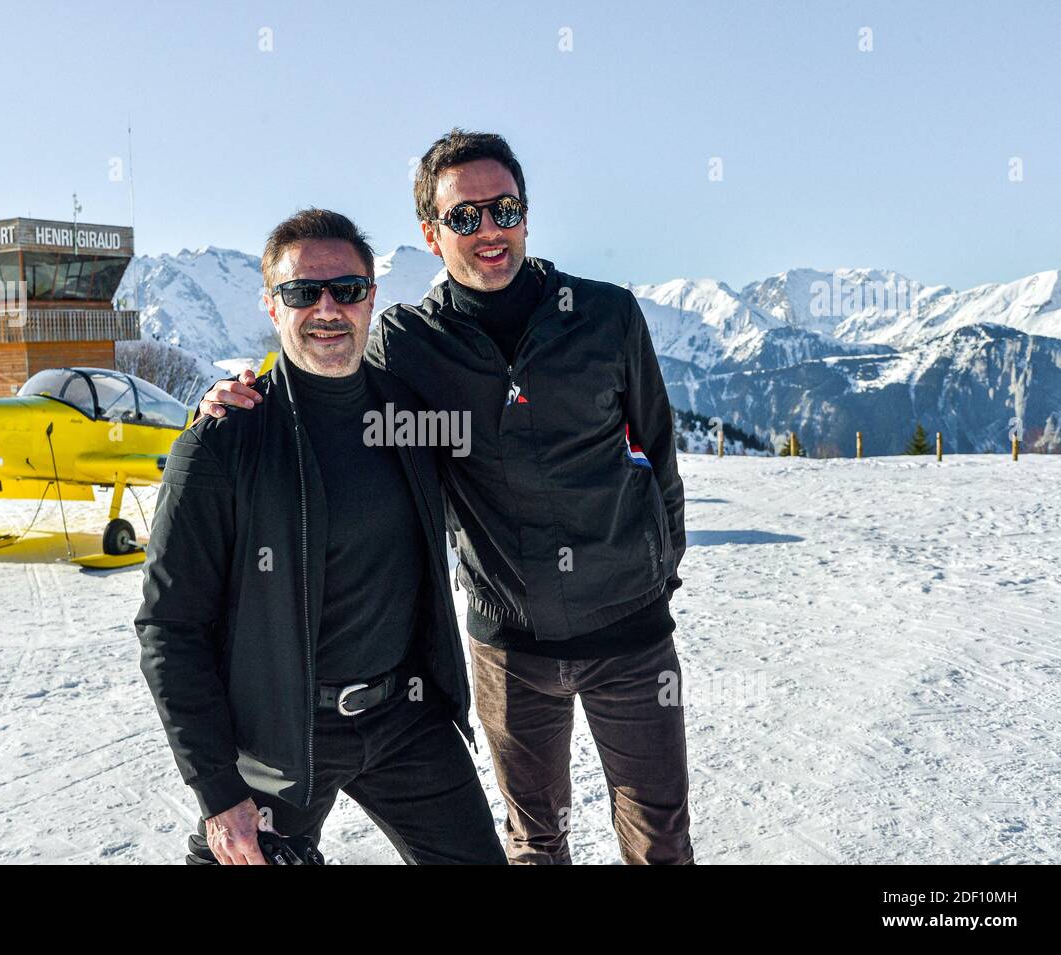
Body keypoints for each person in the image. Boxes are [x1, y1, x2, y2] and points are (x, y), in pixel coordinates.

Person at [200, 130, 693, 864]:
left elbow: (656, 449)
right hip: (511, 646)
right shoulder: (407, 342)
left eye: (504, 208)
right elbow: (323, 377)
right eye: (464, 216)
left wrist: (656, 573)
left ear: (526, 214)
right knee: (534, 839)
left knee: (660, 838)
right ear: (432, 235)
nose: (488, 229)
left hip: (631, 633)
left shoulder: (605, 315)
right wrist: (235, 405)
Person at [135, 208, 505, 865]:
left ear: (371, 297)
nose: (327, 308)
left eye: (348, 290)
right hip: (282, 733)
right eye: (303, 292)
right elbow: (170, 626)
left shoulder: (407, 416)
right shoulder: (225, 440)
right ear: (272, 305)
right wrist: (219, 792)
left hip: (407, 718)